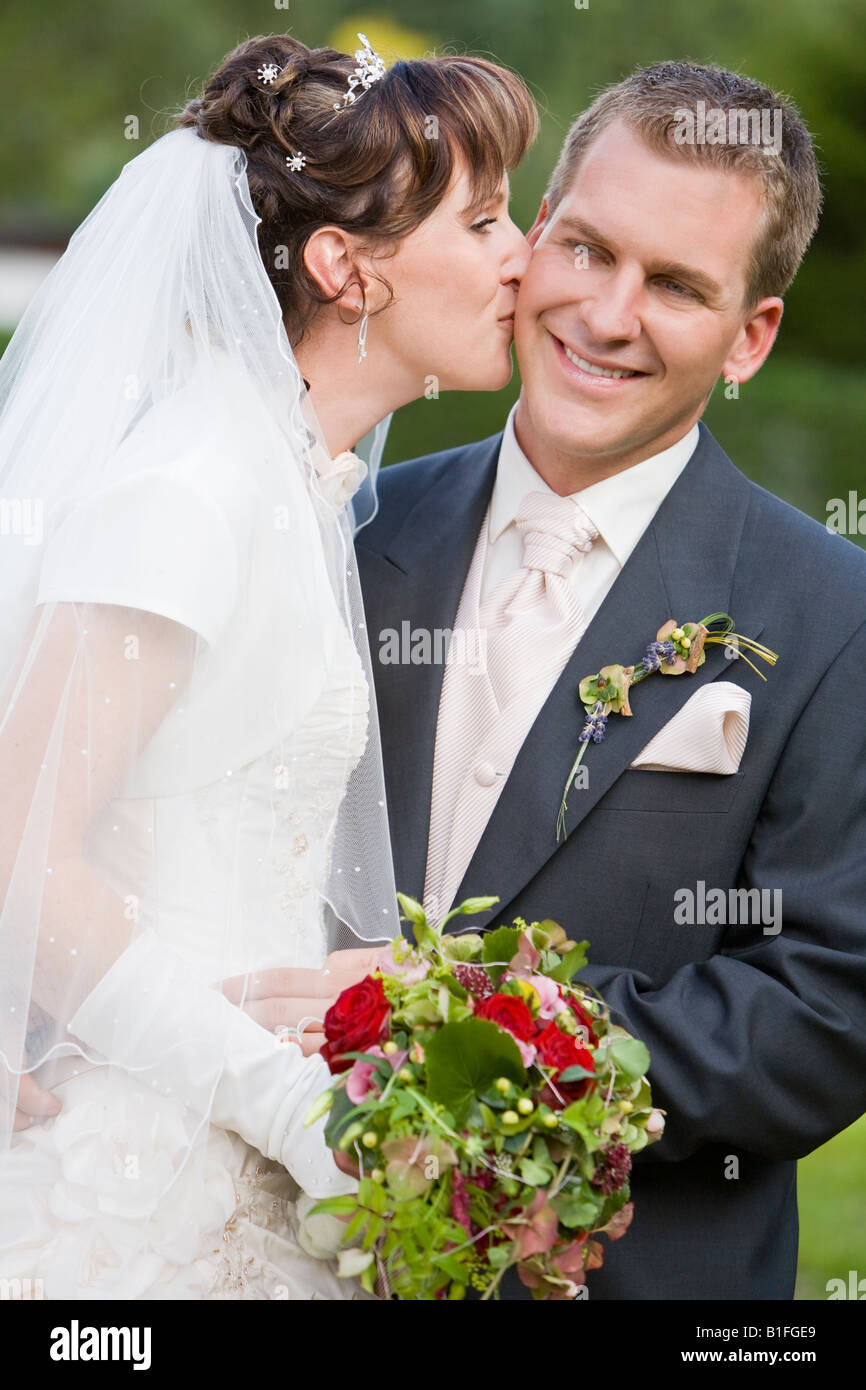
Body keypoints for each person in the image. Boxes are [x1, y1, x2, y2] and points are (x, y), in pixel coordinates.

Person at [0, 33, 536, 1299]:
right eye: (484, 220)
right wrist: (298, 1107)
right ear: (347, 268)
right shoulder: (190, 483)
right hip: (142, 1177)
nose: (523, 256)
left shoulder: (291, 482)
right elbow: (25, 848)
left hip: (246, 1149)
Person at [356, 62, 866, 1299]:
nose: (608, 312)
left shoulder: (833, 614)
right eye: (586, 248)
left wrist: (462, 1036)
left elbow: (824, 1006)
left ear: (750, 336)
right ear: (533, 239)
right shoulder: (351, 530)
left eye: (677, 286)